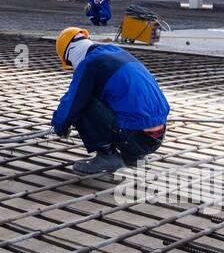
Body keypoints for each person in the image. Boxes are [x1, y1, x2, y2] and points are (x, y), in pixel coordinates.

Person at [51, 27, 170, 176]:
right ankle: (134, 157)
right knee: (113, 96)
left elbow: (72, 104)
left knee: (82, 102)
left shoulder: (90, 64)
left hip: (136, 140)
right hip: (157, 137)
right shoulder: (115, 51)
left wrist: (59, 126)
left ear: (69, 55)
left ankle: (107, 155)